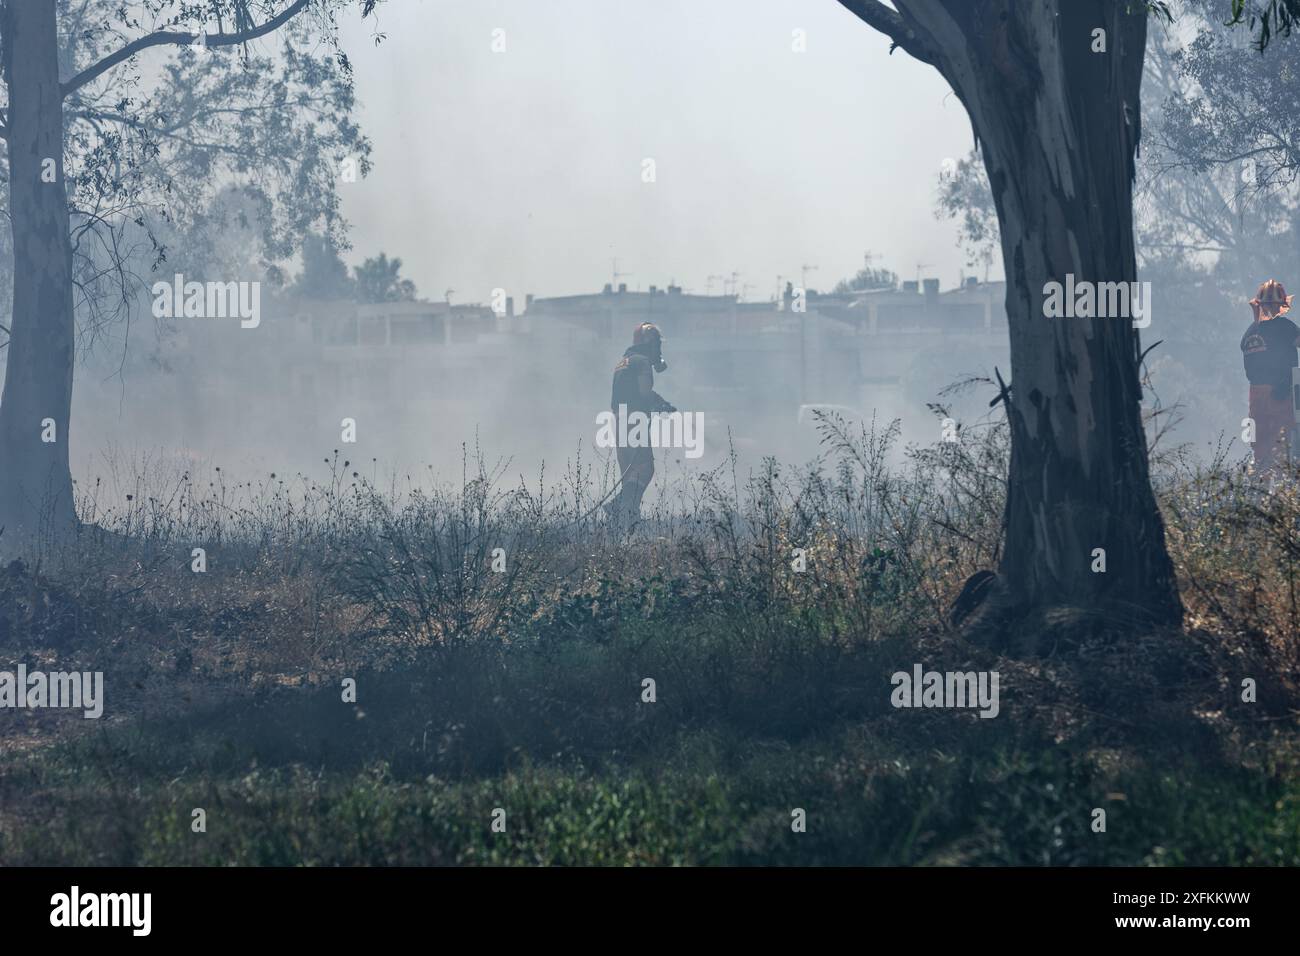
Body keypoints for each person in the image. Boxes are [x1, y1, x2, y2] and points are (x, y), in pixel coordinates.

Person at [607, 322, 676, 527]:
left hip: (620, 420)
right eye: (656, 343)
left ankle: (627, 521)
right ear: (649, 343)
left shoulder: (624, 361)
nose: (658, 349)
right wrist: (659, 403)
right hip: (634, 419)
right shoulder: (643, 362)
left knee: (630, 472)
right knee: (645, 468)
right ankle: (620, 506)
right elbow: (644, 393)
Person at [1240, 279, 1300, 471]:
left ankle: (1260, 493)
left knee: (1261, 451)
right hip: (1283, 395)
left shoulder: (1249, 333)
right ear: (1281, 305)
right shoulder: (1285, 327)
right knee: (1289, 447)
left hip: (1256, 400)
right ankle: (1288, 494)